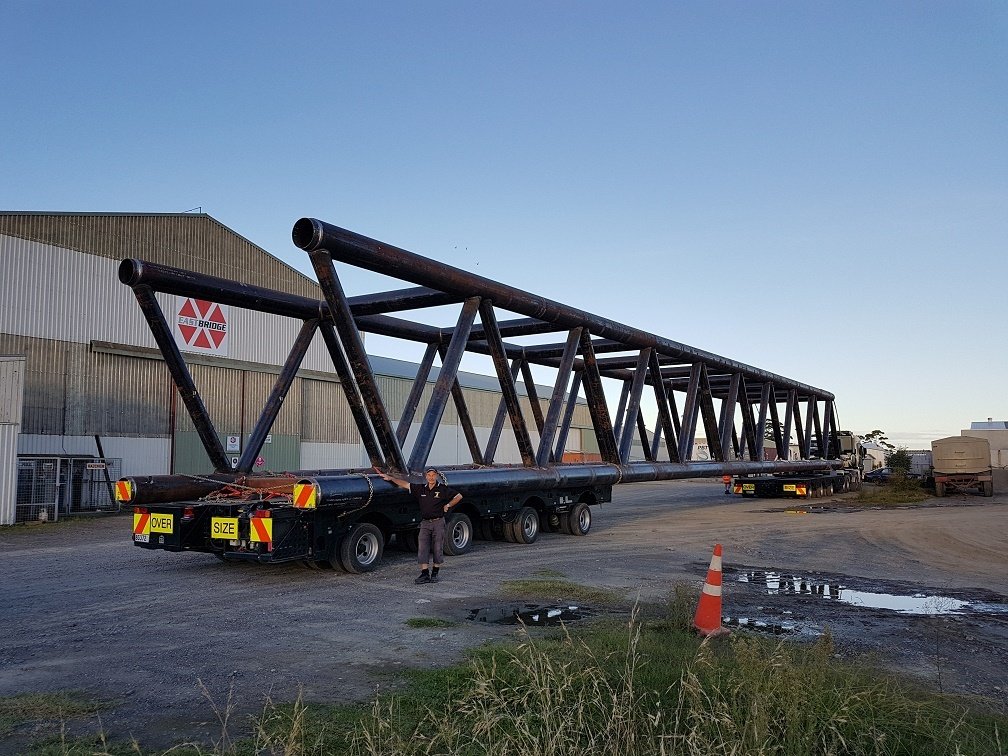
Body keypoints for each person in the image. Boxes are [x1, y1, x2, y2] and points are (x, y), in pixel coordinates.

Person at [373, 465, 462, 584]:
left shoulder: (442, 489)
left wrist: (448, 505)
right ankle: (424, 574)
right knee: (423, 548)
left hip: (438, 522)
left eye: (433, 475)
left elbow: (458, 496)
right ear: (426, 476)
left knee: (437, 547)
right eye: (429, 475)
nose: (431, 477)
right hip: (425, 523)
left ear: (436, 476)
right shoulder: (420, 489)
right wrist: (391, 478)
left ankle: (435, 573)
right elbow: (405, 484)